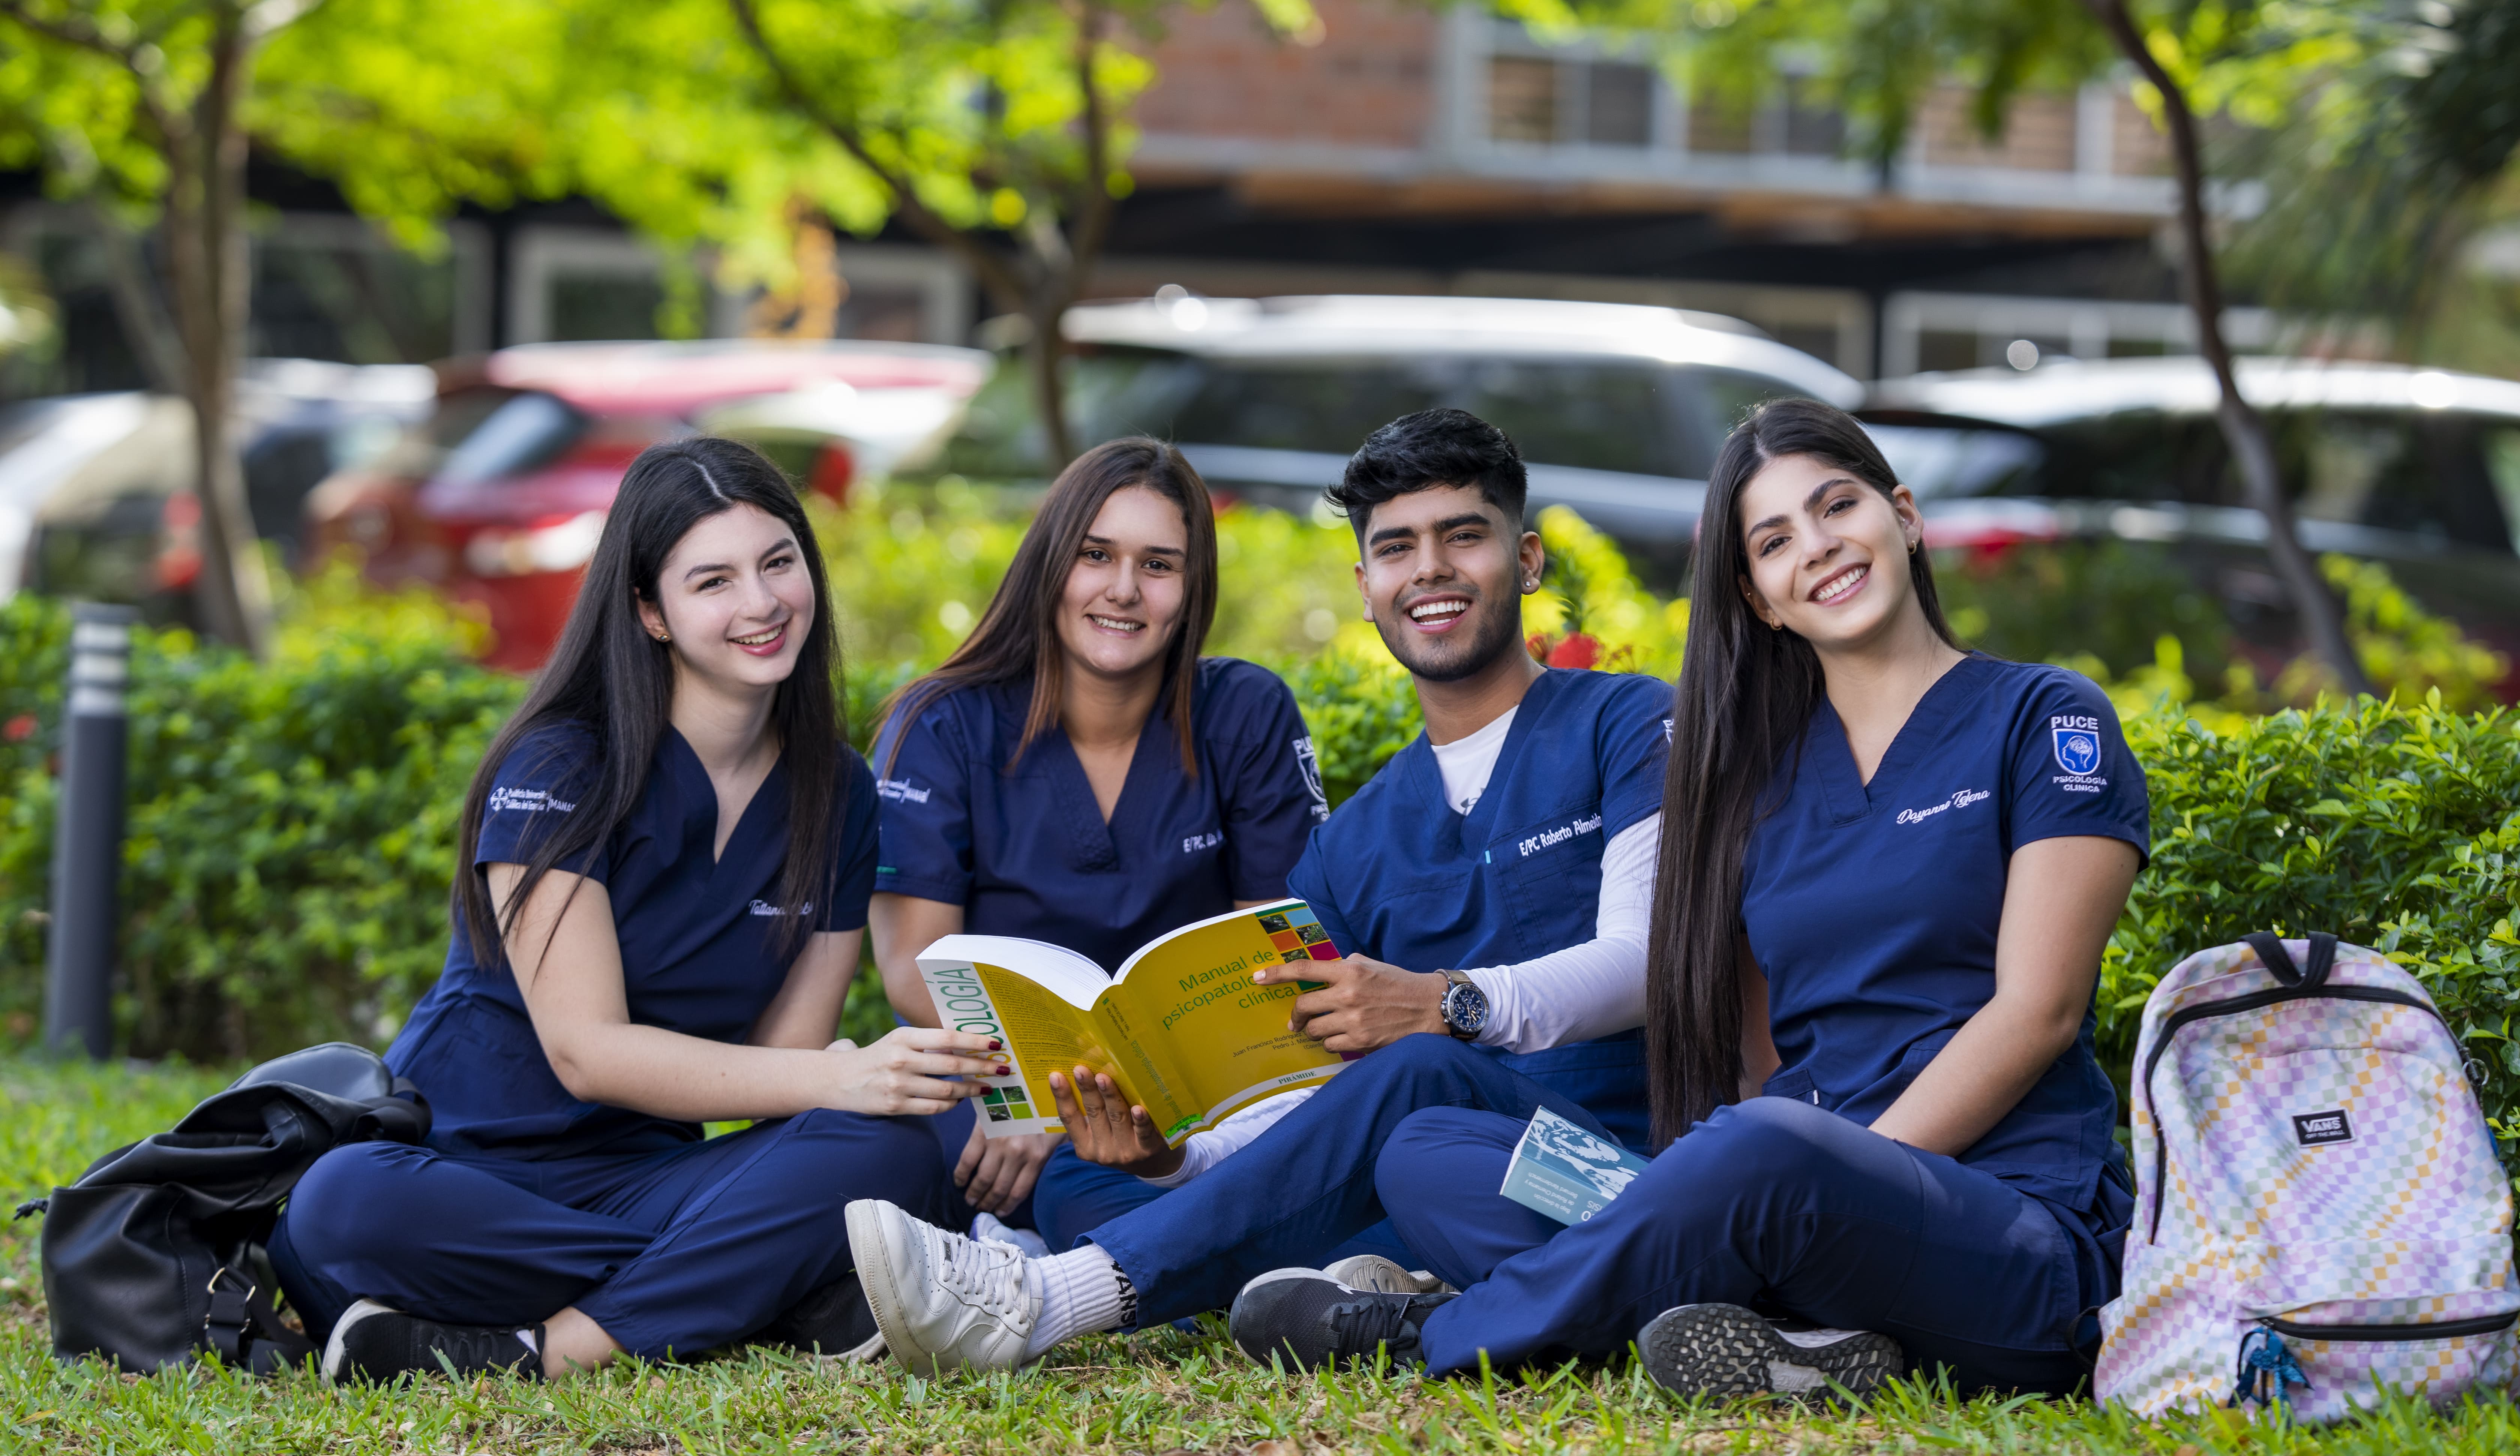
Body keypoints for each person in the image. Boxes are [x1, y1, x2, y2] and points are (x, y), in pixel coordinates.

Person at [1228, 397, 2147, 1401]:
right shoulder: (1752, 781)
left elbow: (2039, 1011)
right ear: (1757, 595)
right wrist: (1773, 1194)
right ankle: (1788, 1334)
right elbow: (1760, 1060)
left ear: (1907, 516)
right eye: (1775, 540)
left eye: (1838, 507)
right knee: (1433, 1153)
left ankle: (1441, 1332)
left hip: (2005, 1226)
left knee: (1765, 1153)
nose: (1820, 549)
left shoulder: (2047, 719)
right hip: (1789, 1197)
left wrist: (1835, 1180)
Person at [840, 407, 1676, 1372]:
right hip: (1437, 1185)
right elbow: (1306, 1084)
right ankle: (1411, 1293)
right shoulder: (1355, 844)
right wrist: (1172, 1154)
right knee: (1092, 1179)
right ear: (1366, 589)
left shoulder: (1626, 720)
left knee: (1413, 1078)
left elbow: (1646, 963)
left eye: (1464, 537)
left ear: (1526, 560)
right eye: (1397, 548)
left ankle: (1049, 1300)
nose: (1430, 571)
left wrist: (1446, 1001)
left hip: (1611, 1171)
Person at [271, 438, 1004, 1383]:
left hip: (650, 1182)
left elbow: (784, 1066)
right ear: (650, 611)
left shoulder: (840, 792)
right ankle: (755, 1290)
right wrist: (841, 1078)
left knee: (912, 1143)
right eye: (714, 581)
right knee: (338, 1203)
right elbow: (589, 1053)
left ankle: (554, 1346)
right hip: (463, 1179)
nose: (762, 602)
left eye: (779, 562)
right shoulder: (562, 764)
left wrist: (864, 1084)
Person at [866, 437, 1327, 1246]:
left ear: (1192, 587)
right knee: (891, 1160)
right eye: (1095, 554)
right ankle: (1179, 1245)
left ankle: (1065, 1248)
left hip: (1200, 1096)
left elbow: (1275, 964)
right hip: (999, 1084)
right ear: (1051, 565)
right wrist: (1051, 1099)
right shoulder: (942, 724)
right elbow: (913, 968)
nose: (1123, 589)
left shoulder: (1245, 713)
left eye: (1159, 564)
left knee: (1113, 1184)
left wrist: (1109, 1097)